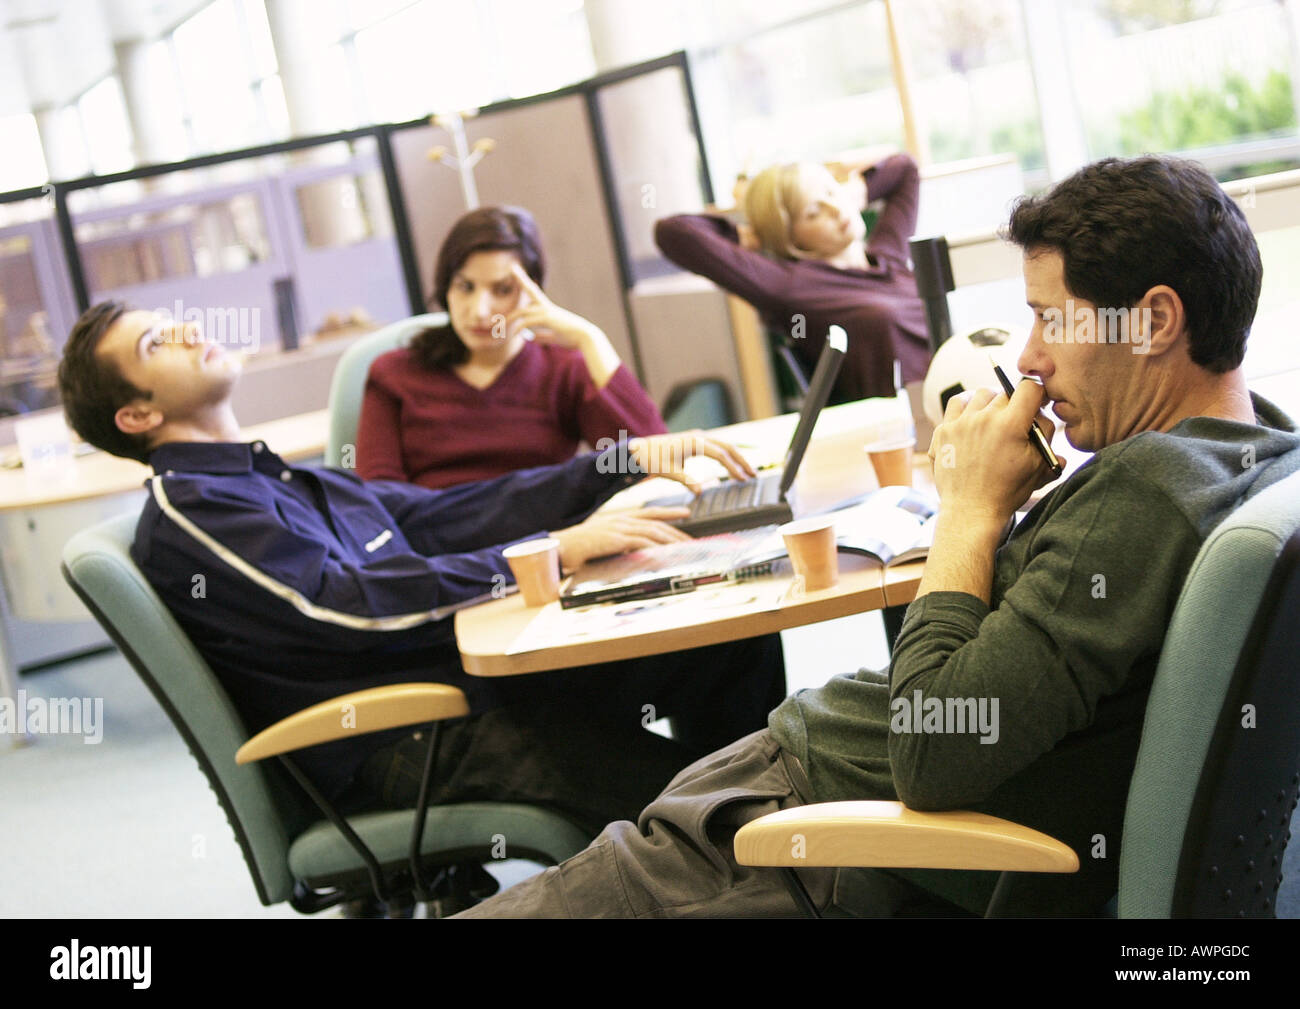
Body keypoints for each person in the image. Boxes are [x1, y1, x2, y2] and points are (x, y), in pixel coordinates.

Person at [460, 155, 1300, 917]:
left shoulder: (1146, 492)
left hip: (804, 840)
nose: (1032, 357)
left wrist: (971, 513)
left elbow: (937, 743)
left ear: (1153, 322)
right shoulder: (1260, 448)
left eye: (1051, 318)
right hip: (803, 807)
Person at [55, 303, 787, 834]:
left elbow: (449, 513)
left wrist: (615, 464)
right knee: (699, 808)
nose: (188, 328)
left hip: (475, 685)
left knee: (724, 643)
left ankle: (768, 848)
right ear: (135, 416)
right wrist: (551, 552)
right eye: (157, 341)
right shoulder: (196, 511)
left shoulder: (282, 480)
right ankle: (759, 854)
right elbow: (344, 605)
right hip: (408, 736)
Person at [356, 205, 667, 490]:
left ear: (533, 293)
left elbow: (656, 465)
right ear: (445, 288)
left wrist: (591, 338)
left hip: (551, 542)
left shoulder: (562, 371)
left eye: (502, 289)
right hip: (441, 546)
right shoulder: (395, 374)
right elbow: (378, 503)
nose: (479, 311)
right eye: (465, 287)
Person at [655, 152, 932, 404]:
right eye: (813, 213)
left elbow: (905, 168)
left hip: (954, 395)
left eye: (831, 193)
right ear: (790, 238)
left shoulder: (888, 256)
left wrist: (858, 190)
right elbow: (673, 233)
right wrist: (754, 235)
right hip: (902, 428)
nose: (835, 210)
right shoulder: (791, 286)